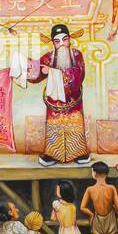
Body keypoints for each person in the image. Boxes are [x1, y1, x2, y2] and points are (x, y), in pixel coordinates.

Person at [26, 24, 90, 167]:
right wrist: (26, 65)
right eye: (57, 41)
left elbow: (78, 75)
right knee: (55, 127)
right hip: (55, 103)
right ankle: (53, 154)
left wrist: (53, 73)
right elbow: (36, 72)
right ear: (53, 43)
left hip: (73, 100)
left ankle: (78, 152)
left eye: (64, 39)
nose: (61, 44)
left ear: (69, 39)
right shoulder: (49, 57)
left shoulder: (76, 55)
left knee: (75, 125)